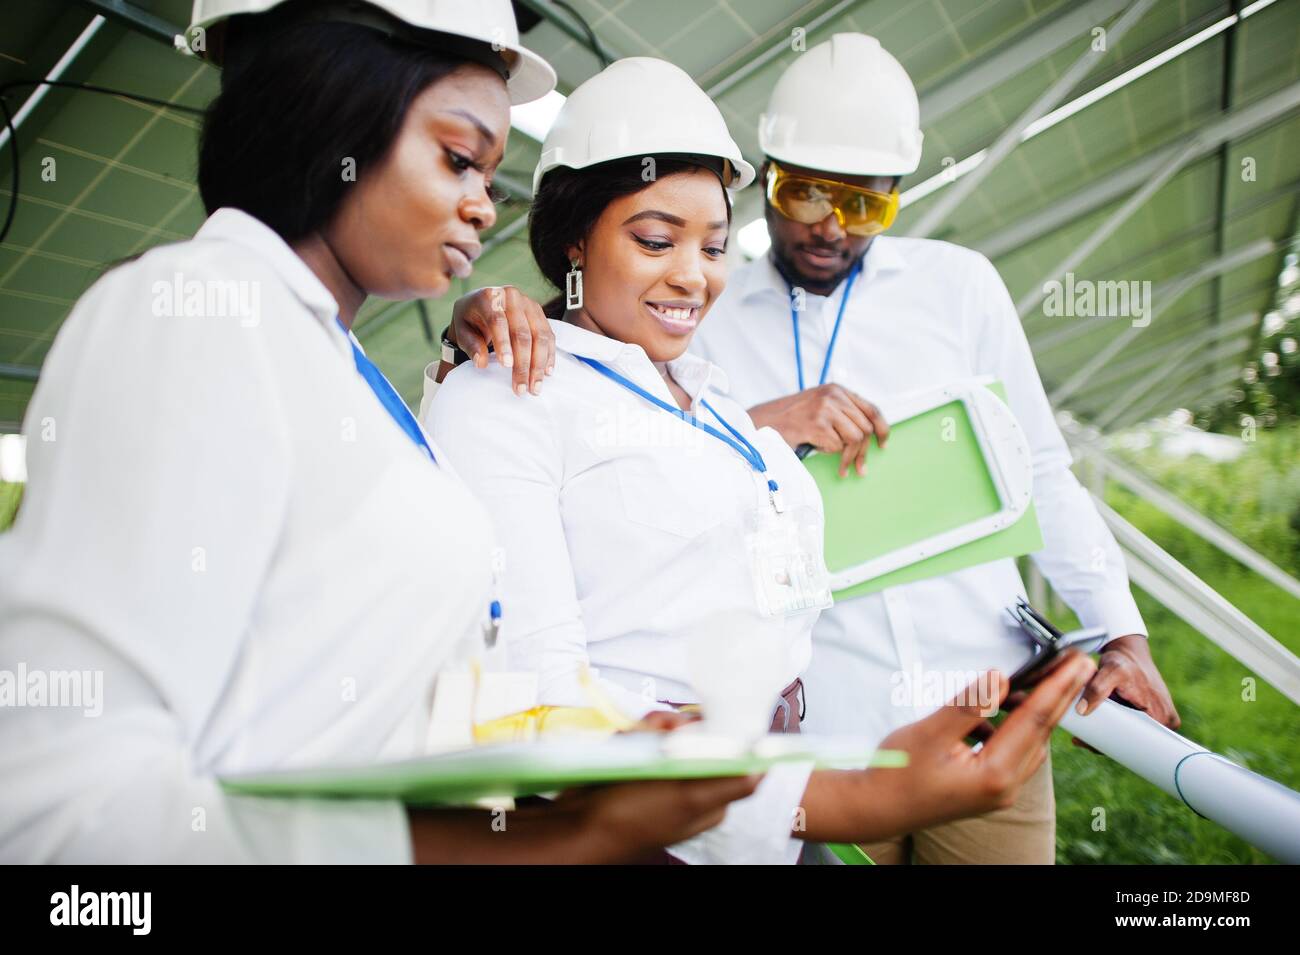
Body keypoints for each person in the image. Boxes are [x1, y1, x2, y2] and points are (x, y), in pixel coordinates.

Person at [0, 0, 760, 864]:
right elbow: (67, 811)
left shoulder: (333, 362)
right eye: (459, 159)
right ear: (334, 116)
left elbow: (352, 699)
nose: (483, 207)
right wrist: (558, 836)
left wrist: (590, 748)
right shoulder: (198, 315)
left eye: (489, 174)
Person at [442, 32, 1178, 865]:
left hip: (968, 703)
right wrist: (479, 322)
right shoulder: (684, 338)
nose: (830, 223)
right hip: (811, 741)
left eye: (863, 202)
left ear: (899, 192)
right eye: (803, 194)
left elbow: (1042, 466)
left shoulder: (950, 291)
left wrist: (1119, 628)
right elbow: (550, 617)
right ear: (770, 177)